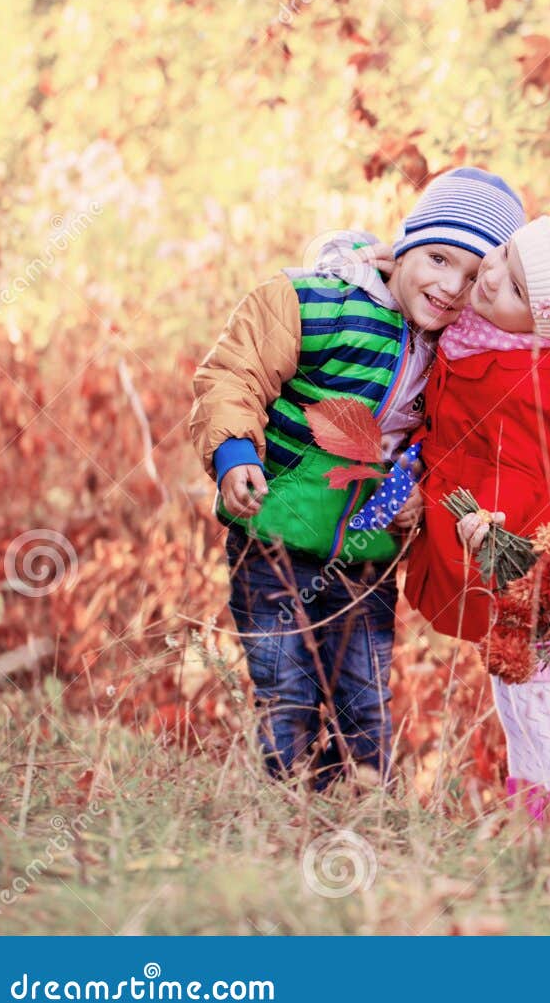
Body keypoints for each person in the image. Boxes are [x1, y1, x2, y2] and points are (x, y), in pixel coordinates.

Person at [188, 167, 526, 787]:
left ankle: (359, 814)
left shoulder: (455, 356)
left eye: (475, 278)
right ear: (402, 247)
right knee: (286, 685)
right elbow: (234, 375)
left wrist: (417, 502)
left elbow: (437, 450)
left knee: (364, 699)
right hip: (275, 536)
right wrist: (235, 451)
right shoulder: (315, 302)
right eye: (439, 258)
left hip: (367, 557)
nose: (451, 287)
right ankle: (286, 807)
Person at [396, 210, 550, 838]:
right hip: (502, 544)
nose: (491, 277)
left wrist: (472, 529)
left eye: (515, 289)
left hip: (527, 552)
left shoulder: (524, 377)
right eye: (506, 253)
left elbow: (504, 474)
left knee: (541, 703)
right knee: (517, 703)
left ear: (546, 328)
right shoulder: (492, 332)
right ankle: (540, 837)